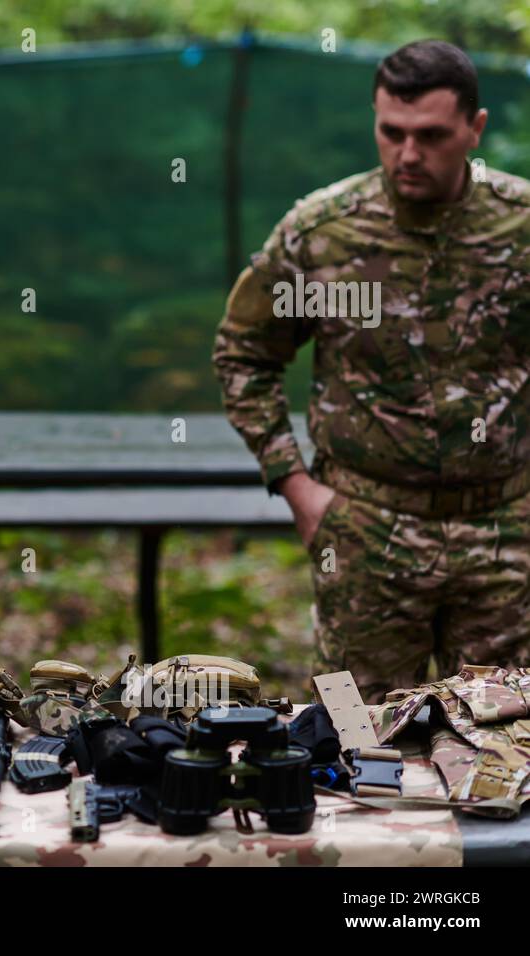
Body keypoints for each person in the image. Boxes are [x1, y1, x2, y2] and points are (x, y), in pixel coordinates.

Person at [212, 40, 530, 702]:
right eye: (392, 132)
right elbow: (245, 353)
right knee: (352, 738)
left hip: (505, 533)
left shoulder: (521, 227)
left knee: (507, 743)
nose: (408, 154)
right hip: (366, 533)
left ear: (475, 129)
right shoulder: (324, 232)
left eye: (431, 135)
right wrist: (296, 486)